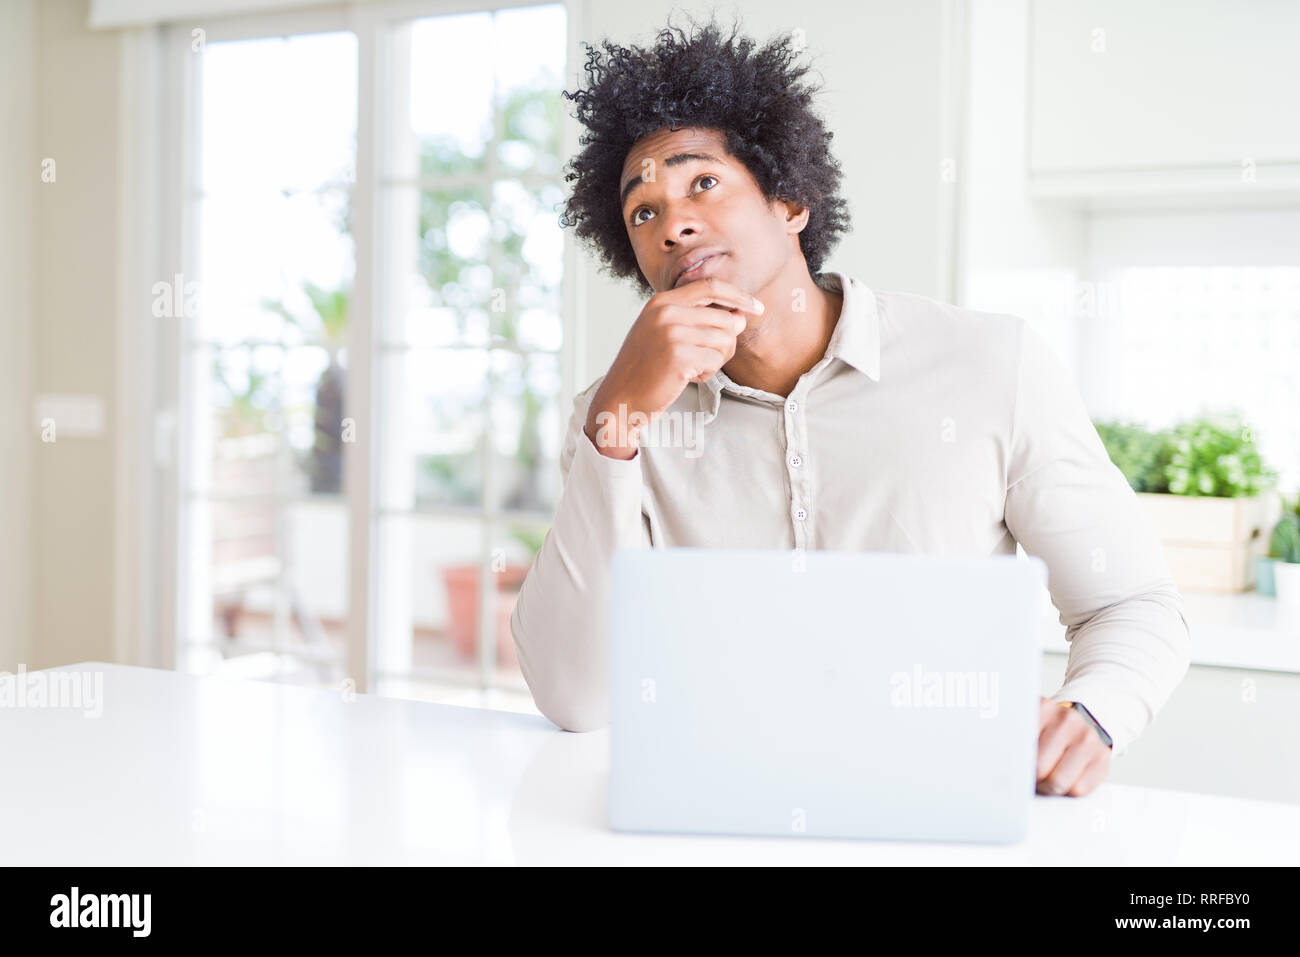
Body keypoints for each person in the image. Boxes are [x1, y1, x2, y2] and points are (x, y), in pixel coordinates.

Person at [510, 16, 1190, 798]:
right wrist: (616, 426)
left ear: (790, 200)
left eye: (702, 182)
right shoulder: (617, 414)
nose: (675, 224)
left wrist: (1094, 712)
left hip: (949, 814)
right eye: (643, 211)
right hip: (719, 820)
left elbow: (1131, 601)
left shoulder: (990, 365)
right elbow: (571, 695)